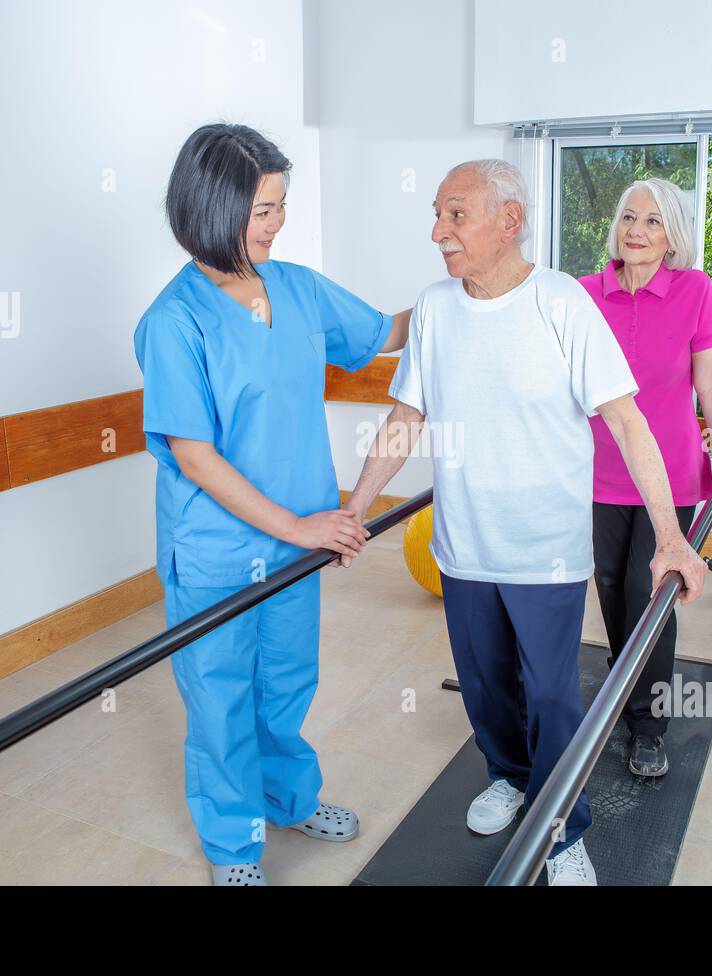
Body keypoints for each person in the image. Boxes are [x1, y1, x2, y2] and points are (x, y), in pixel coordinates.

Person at [344, 159, 706, 886]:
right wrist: (355, 508)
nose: (438, 231)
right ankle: (509, 777)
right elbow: (407, 416)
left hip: (545, 552)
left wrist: (671, 538)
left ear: (507, 221)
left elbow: (629, 422)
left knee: (550, 694)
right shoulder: (438, 308)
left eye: (455, 214)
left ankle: (563, 829)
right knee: (486, 688)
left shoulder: (562, 302)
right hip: (464, 547)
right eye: (438, 215)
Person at [133, 123, 411, 886]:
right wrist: (295, 524)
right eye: (262, 210)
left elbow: (384, 332)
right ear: (212, 209)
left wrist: (466, 289)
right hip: (219, 550)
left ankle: (289, 799)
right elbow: (194, 453)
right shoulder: (174, 321)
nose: (277, 223)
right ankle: (233, 847)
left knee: (286, 683)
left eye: (281, 206)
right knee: (221, 702)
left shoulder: (295, 287)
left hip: (297, 542)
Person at [579, 178, 712, 778]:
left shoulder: (694, 290)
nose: (636, 231)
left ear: (672, 234)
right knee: (608, 587)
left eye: (652, 221)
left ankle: (647, 727)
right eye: (628, 217)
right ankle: (623, 693)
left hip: (669, 472)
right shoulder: (585, 293)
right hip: (598, 469)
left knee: (648, 593)